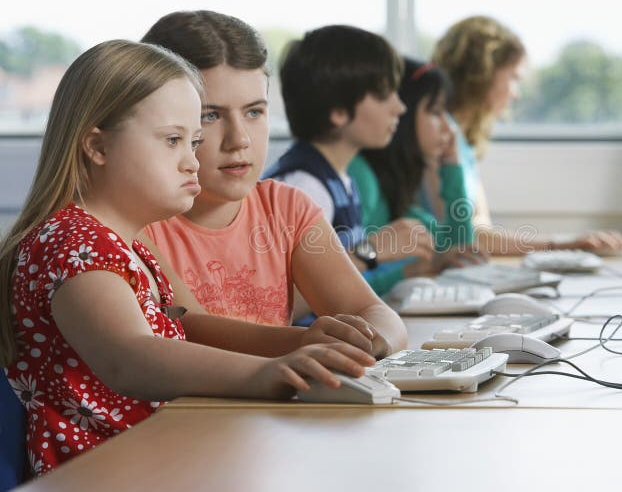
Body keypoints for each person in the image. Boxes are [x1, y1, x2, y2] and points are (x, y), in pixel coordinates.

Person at [0, 40, 375, 475]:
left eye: (194, 141)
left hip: (155, 459)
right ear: (97, 148)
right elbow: (130, 357)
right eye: (173, 140)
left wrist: (300, 344)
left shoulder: (125, 244)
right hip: (104, 475)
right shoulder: (74, 244)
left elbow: (179, 334)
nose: (192, 162)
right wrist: (264, 373)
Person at [140, 11, 407, 352]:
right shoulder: (136, 223)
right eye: (210, 116)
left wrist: (371, 344)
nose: (239, 140)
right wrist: (310, 342)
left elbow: (374, 313)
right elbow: (193, 332)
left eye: (254, 112)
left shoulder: (287, 209)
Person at [432, 16, 622, 255]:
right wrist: (561, 244)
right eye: (513, 78)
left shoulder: (463, 143)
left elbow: (480, 227)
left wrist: (563, 244)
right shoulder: (438, 138)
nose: (515, 94)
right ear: (484, 74)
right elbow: (470, 236)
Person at [265, 25, 439, 296]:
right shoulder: (305, 187)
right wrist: (369, 251)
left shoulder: (341, 178)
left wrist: (408, 270)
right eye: (384, 95)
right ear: (338, 111)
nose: (400, 107)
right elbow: (280, 299)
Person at [349, 57, 477, 259]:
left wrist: (452, 164)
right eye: (435, 112)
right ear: (403, 114)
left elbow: (459, 248)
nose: (449, 128)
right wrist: (407, 272)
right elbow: (346, 268)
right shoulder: (361, 176)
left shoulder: (396, 193)